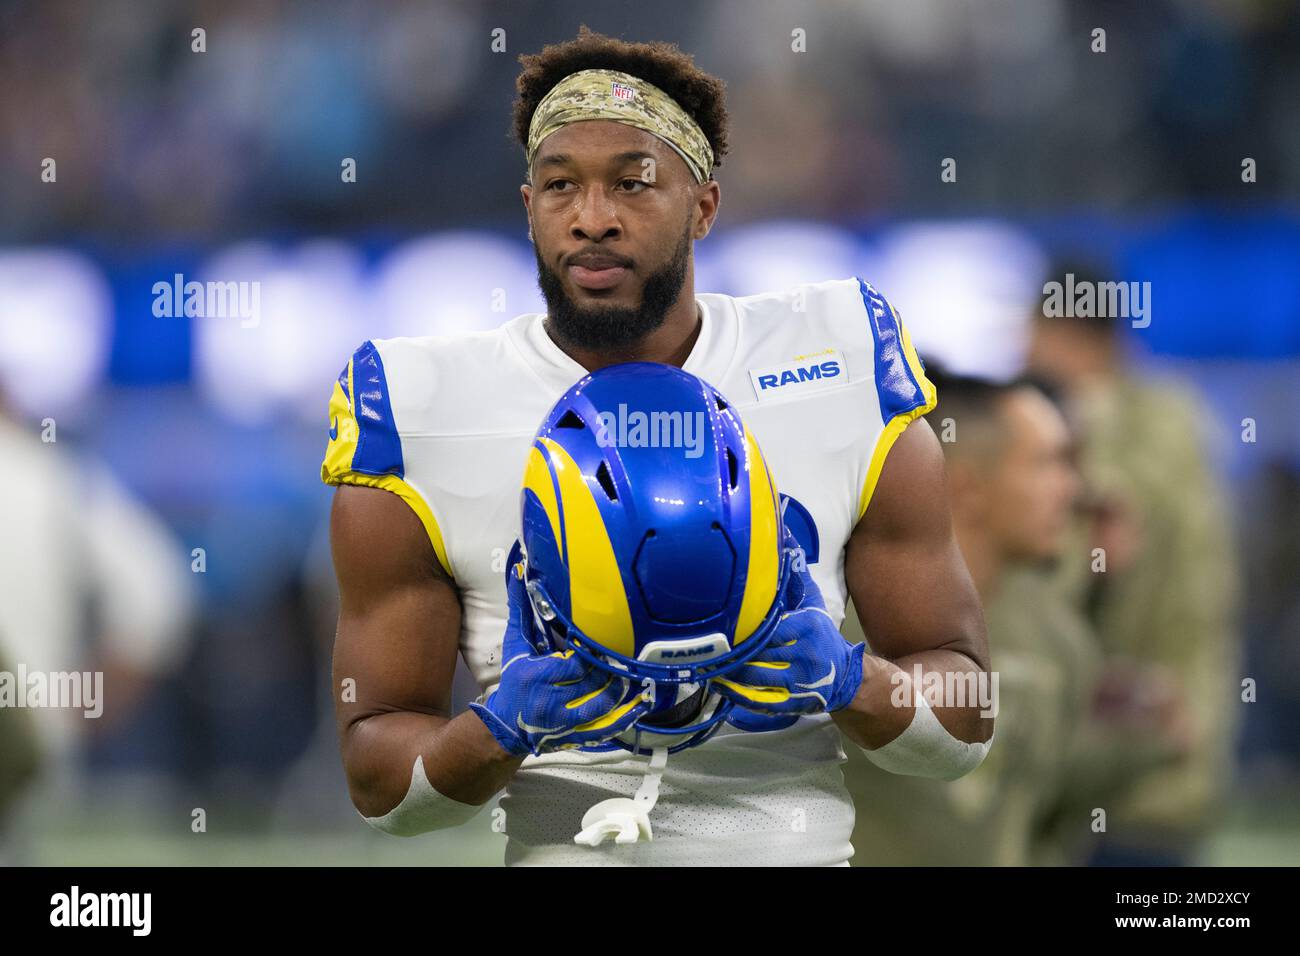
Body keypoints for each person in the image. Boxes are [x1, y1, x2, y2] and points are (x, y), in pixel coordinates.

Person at [323, 28, 992, 866]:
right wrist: (496, 731)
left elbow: (967, 716)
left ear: (704, 206)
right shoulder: (424, 407)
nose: (592, 219)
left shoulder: (834, 360)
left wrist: (854, 681)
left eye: (632, 183)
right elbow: (379, 785)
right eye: (560, 186)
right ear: (528, 207)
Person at [1028, 267, 1240, 865]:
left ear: (1067, 335)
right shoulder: (1179, 422)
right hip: (1177, 751)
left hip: (1114, 765)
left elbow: (1111, 545)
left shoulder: (1096, 426)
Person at [842, 370, 1094, 865]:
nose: (1072, 489)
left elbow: (1048, 812)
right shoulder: (849, 627)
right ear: (967, 486)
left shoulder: (1060, 641)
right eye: (1047, 464)